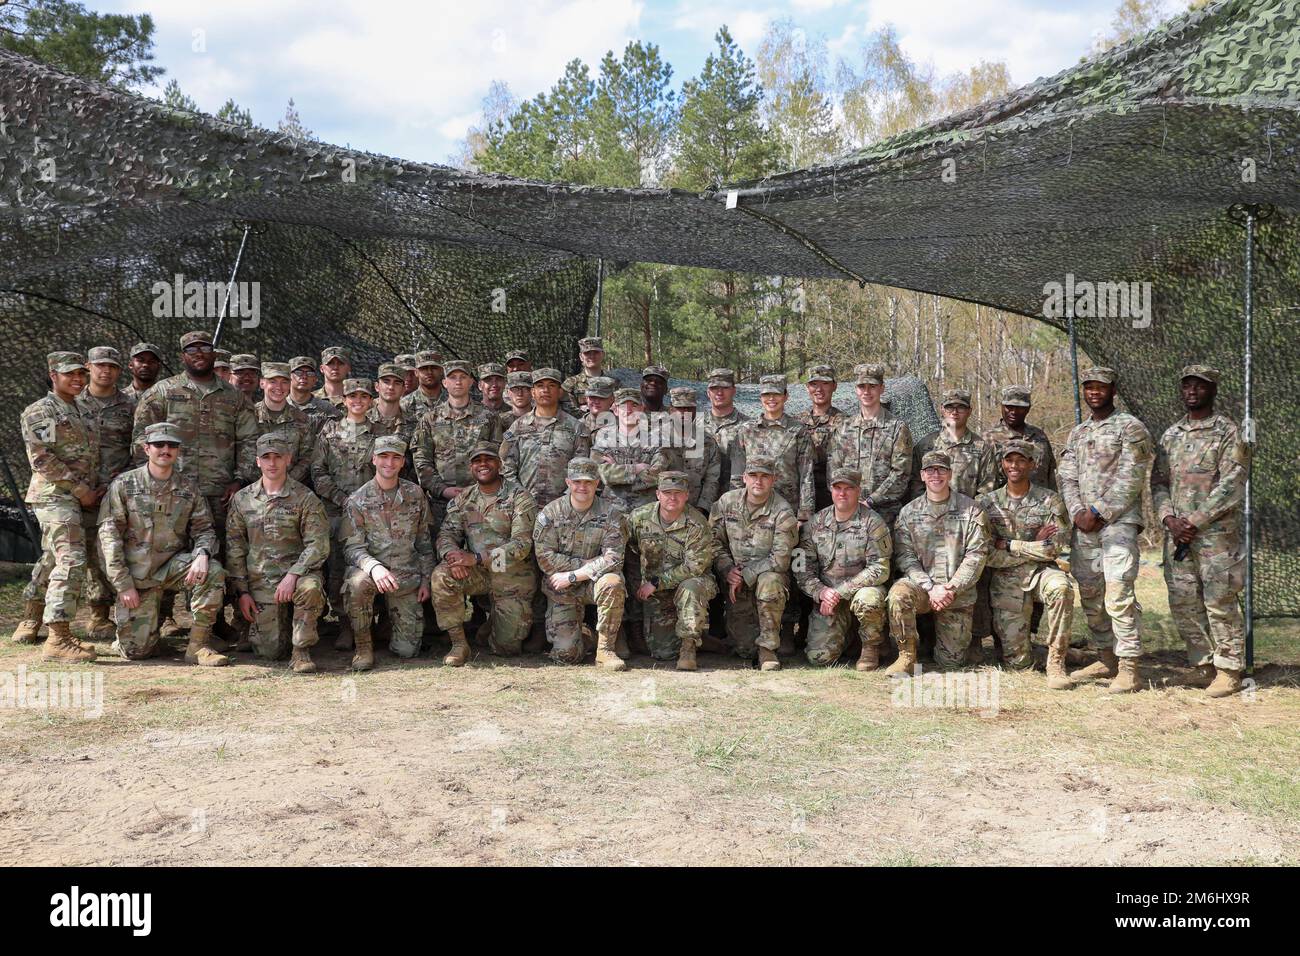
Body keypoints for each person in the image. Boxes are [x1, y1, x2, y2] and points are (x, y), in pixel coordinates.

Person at [132, 330, 258, 645]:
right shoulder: (162, 392)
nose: (198, 353)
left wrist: (240, 479)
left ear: (214, 354)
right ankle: (159, 622)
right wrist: (158, 477)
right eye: (191, 349)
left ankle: (216, 621)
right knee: (164, 553)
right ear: (183, 356)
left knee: (222, 557)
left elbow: (249, 441)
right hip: (171, 494)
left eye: (204, 348)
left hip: (220, 494)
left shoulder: (233, 397)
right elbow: (139, 439)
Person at [1151, 364, 1249, 697]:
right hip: (1177, 538)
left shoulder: (1229, 432)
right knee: (1183, 601)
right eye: (1187, 385)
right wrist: (1169, 520)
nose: (1192, 391)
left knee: (1220, 601)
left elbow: (1233, 483)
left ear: (1213, 390)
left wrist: (1194, 521)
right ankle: (1203, 665)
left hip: (1215, 537)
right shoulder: (1170, 435)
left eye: (1200, 385)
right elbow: (1158, 483)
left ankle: (1229, 669)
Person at [98, 421, 227, 666]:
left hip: (171, 568)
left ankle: (198, 646)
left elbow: (205, 529)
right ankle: (136, 635)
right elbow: (109, 538)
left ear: (178, 451)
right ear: (147, 449)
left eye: (172, 445)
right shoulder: (125, 485)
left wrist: (202, 554)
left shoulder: (188, 488)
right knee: (137, 652)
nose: (165, 449)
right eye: (159, 444)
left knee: (213, 572)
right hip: (136, 576)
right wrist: (123, 585)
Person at [1060, 367, 1154, 694]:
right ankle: (1106, 657)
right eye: (1089, 387)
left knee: (1118, 592)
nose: (1094, 392)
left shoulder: (1130, 427)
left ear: (1113, 390)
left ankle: (1129, 667)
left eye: (1101, 387)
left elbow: (1132, 476)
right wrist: (1076, 512)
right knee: (1090, 594)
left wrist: (1099, 511)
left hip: (1118, 524)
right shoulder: (1078, 432)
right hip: (1083, 526)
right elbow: (1067, 478)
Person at [15, 352, 101, 661]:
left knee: (53, 557)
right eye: (69, 374)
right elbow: (41, 459)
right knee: (73, 559)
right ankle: (58, 638)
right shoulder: (41, 411)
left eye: (81, 373)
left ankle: (32, 614)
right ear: (53, 375)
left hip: (79, 495)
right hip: (55, 495)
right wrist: (80, 490)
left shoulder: (84, 410)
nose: (77, 379)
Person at [226, 434, 330, 673]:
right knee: (269, 652)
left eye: (278, 457)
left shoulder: (305, 498)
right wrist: (242, 592)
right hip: (261, 581)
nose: (272, 463)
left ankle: (301, 651)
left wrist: (293, 575)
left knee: (311, 588)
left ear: (288, 459)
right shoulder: (243, 500)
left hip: (297, 577)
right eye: (266, 458)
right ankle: (259, 631)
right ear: (257, 462)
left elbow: (318, 544)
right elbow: (235, 548)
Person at [429, 441, 538, 664]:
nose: (483, 464)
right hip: (476, 571)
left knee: (506, 648)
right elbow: (446, 534)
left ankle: (492, 624)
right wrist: (453, 558)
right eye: (477, 461)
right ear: (471, 467)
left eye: (488, 459)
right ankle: (459, 645)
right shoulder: (464, 498)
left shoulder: (520, 497)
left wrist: (476, 557)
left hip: (511, 575)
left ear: (499, 464)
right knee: (442, 575)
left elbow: (522, 544)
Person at [978, 440, 1075, 688]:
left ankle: (1056, 662)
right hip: (1007, 580)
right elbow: (986, 552)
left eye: (1021, 460)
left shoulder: (1050, 501)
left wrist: (1009, 544)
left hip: (1043, 573)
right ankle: (1052, 653)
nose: (1015, 465)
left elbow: (1056, 547)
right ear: (1002, 464)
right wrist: (1033, 544)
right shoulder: (987, 504)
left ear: (1032, 464)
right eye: (1010, 460)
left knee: (1061, 589)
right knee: (1018, 664)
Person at [888, 450, 991, 674]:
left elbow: (976, 555)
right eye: (930, 470)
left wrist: (950, 588)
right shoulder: (909, 512)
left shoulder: (971, 510)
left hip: (956, 593)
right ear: (922, 476)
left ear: (950, 473)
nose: (936, 474)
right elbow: (905, 556)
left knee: (951, 663)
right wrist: (930, 587)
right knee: (898, 594)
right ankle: (907, 657)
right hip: (923, 588)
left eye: (941, 469)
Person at [339, 436, 434, 670]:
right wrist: (374, 567)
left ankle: (390, 625)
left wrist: (426, 579)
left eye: (395, 457)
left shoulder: (416, 495)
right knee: (357, 584)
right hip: (372, 572)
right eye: (383, 456)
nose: (389, 463)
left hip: (406, 574)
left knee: (407, 651)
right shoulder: (357, 500)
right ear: (374, 459)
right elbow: (352, 548)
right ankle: (363, 646)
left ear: (403, 462)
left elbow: (424, 542)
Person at [533, 457, 629, 669]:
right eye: (577, 482)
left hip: (588, 582)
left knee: (612, 582)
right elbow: (544, 557)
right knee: (566, 656)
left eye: (588, 482)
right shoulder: (550, 513)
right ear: (568, 482)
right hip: (562, 589)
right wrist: (586, 563)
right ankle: (586, 636)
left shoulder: (611, 514)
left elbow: (613, 558)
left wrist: (575, 574)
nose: (582, 487)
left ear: (597, 484)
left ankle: (605, 650)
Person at [311, 378, 383, 651]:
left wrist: (364, 502)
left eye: (363, 396)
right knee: (338, 568)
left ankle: (372, 621)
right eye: (352, 396)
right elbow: (318, 472)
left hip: (372, 513)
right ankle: (344, 624)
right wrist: (344, 500)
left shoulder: (379, 434)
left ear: (370, 400)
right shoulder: (329, 432)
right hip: (337, 511)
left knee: (371, 562)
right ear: (344, 399)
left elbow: (388, 471)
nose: (358, 401)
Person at [794, 468, 891, 669]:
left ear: (858, 491)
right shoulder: (815, 524)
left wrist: (840, 592)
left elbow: (880, 568)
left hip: (859, 593)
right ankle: (849, 639)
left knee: (869, 598)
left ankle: (870, 646)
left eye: (849, 488)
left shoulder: (873, 523)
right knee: (818, 658)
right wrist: (821, 592)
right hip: (828, 597)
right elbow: (801, 567)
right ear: (831, 489)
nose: (842, 493)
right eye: (838, 488)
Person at [709, 457, 799, 671]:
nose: (758, 481)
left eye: (765, 476)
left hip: (766, 578)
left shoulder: (782, 511)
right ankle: (748, 645)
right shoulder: (726, 503)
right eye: (753, 476)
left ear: (773, 480)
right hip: (734, 582)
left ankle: (768, 650)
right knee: (744, 649)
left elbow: (780, 559)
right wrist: (727, 570)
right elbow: (712, 543)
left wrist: (746, 574)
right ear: (744, 478)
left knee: (771, 581)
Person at [76, 346, 137, 642]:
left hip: (115, 491)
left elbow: (138, 448)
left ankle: (122, 614)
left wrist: (121, 480)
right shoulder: (72, 403)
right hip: (80, 491)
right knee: (85, 553)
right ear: (88, 366)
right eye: (100, 365)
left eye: (112, 366)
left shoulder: (130, 406)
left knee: (112, 551)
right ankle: (98, 615)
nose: (106, 371)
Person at [627, 471, 717, 670]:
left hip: (692, 582)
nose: (673, 497)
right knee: (663, 652)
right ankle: (703, 638)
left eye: (678, 492)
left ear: (687, 495)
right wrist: (640, 583)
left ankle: (689, 647)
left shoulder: (697, 523)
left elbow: (694, 567)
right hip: (656, 591)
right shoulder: (640, 518)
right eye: (667, 492)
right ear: (658, 494)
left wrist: (656, 583)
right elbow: (629, 548)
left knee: (690, 587)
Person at [411, 359, 500, 532]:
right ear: (444, 383)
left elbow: (496, 458)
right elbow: (422, 460)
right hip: (441, 504)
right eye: (452, 377)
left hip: (481, 501)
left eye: (463, 377)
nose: (458, 382)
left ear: (471, 382)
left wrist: (482, 488)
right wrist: (442, 490)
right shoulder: (430, 419)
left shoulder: (489, 417)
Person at [828, 362, 912, 527]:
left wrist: (871, 501)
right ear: (856, 389)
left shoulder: (897, 428)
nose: (866, 392)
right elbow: (833, 471)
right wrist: (847, 500)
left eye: (872, 386)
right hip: (847, 515)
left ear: (882, 388)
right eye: (862, 386)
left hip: (884, 516)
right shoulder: (844, 428)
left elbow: (901, 474)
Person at [729, 374, 814, 523]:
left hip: (786, 511)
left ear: (786, 396)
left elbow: (806, 474)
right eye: (767, 394)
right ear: (761, 397)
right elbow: (737, 475)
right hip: (751, 511)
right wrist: (736, 507)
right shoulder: (746, 430)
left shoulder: (798, 431)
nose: (771, 398)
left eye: (776, 394)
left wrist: (805, 516)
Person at [908, 388, 998, 501]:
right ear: (942, 409)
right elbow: (916, 486)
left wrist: (970, 512)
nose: (954, 412)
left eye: (960, 407)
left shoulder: (982, 448)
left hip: (967, 515)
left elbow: (987, 489)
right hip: (930, 514)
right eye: (949, 407)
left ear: (969, 411)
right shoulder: (925, 445)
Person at [984, 385, 1057, 489]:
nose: (1014, 412)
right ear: (1002, 406)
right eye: (1009, 407)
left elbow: (1050, 477)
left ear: (1028, 409)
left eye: (1020, 408)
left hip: (1041, 502)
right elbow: (984, 484)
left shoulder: (1039, 437)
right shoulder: (989, 439)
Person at [252, 362, 313, 483]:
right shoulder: (249, 416)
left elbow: (307, 458)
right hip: (253, 489)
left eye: (284, 382)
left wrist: (284, 482)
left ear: (290, 384)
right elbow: (243, 454)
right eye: (273, 381)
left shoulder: (302, 419)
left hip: (292, 488)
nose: (279, 387)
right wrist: (263, 483)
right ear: (262, 383)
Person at [799, 365, 847, 512]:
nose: (819, 389)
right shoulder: (796, 423)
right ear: (807, 387)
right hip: (801, 496)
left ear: (834, 386)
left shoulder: (846, 423)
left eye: (825, 384)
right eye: (814, 384)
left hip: (833, 496)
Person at [668, 386, 720, 514]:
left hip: (695, 510)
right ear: (671, 410)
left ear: (695, 411)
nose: (684, 413)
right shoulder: (656, 439)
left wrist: (703, 508)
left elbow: (712, 479)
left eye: (689, 408)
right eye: (679, 408)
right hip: (663, 509)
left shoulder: (707, 442)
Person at [703, 368, 748, 490]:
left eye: (725, 388)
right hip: (701, 503)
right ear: (708, 392)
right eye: (714, 388)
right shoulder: (695, 425)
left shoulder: (748, 426)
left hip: (734, 499)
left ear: (734, 391)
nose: (719, 393)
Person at [287, 355, 342, 436]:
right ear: (289, 377)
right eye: (298, 373)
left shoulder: (328, 410)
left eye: (309, 373)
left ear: (315, 379)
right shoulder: (279, 407)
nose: (304, 377)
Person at [561, 336, 606, 409]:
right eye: (587, 353)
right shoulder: (570, 384)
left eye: (596, 352)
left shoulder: (613, 383)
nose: (592, 356)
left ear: (603, 354)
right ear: (581, 357)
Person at [401, 351, 448, 419]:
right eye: (424, 368)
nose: (429, 372)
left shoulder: (453, 401)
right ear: (416, 372)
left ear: (441, 371)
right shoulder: (405, 404)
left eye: (434, 367)